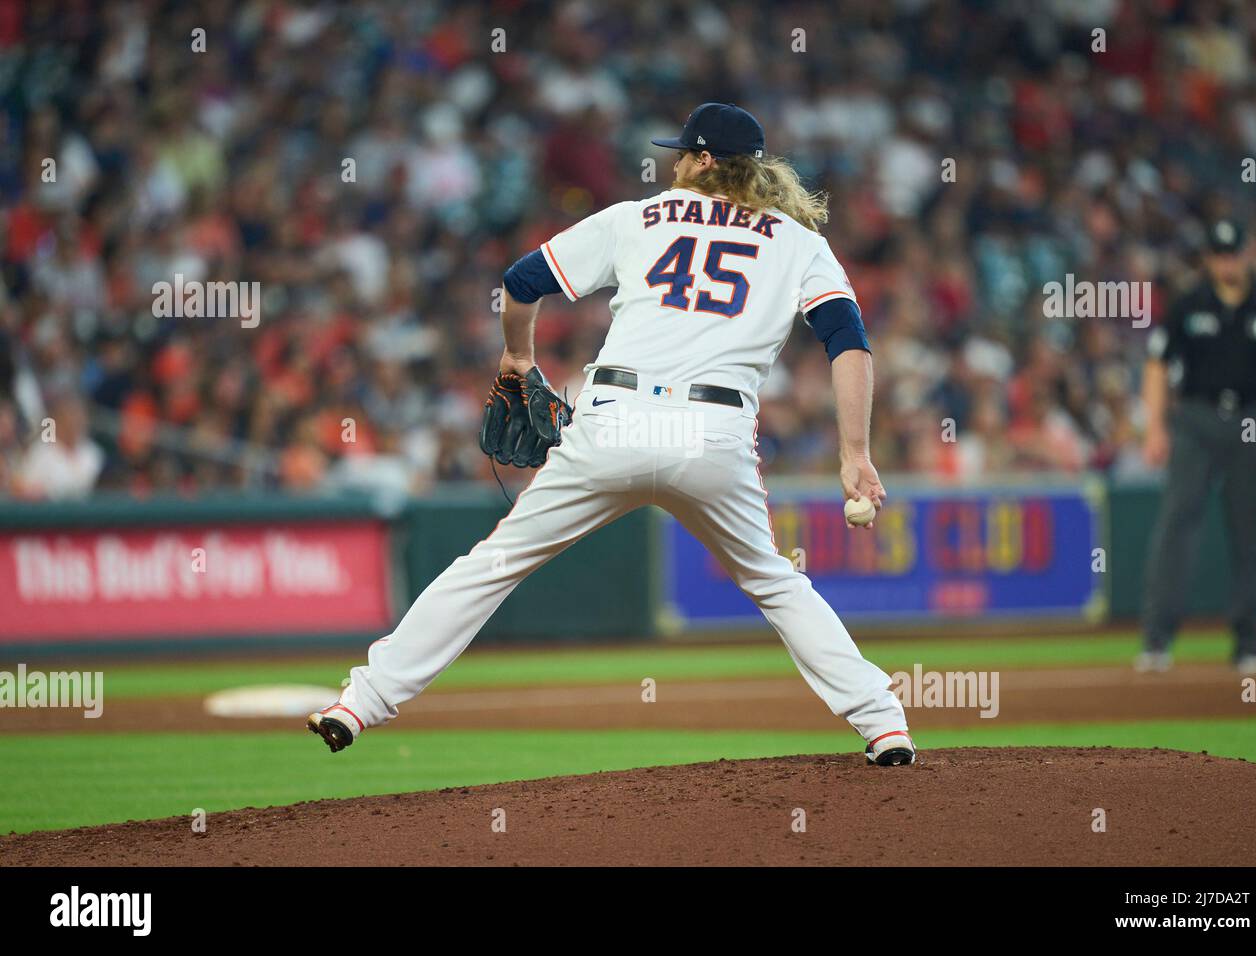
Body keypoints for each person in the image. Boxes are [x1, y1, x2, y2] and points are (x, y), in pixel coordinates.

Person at [307, 103, 914, 766]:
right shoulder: (799, 242)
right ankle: (882, 722)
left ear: (706, 161)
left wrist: (519, 358)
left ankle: (360, 702)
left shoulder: (638, 217)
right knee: (774, 581)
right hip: (712, 434)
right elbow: (848, 342)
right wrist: (854, 453)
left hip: (613, 421)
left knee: (491, 566)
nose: (674, 163)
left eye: (683, 153)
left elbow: (521, 281)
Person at [1139, 219, 1256, 675]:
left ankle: (1249, 643)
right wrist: (1154, 428)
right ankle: (1156, 640)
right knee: (1176, 524)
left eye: (1233, 252)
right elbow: (1157, 363)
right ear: (1208, 257)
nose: (1227, 261)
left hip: (1252, 420)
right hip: (1195, 419)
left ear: (1245, 253)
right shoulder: (1189, 303)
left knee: (1251, 530)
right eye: (1219, 253)